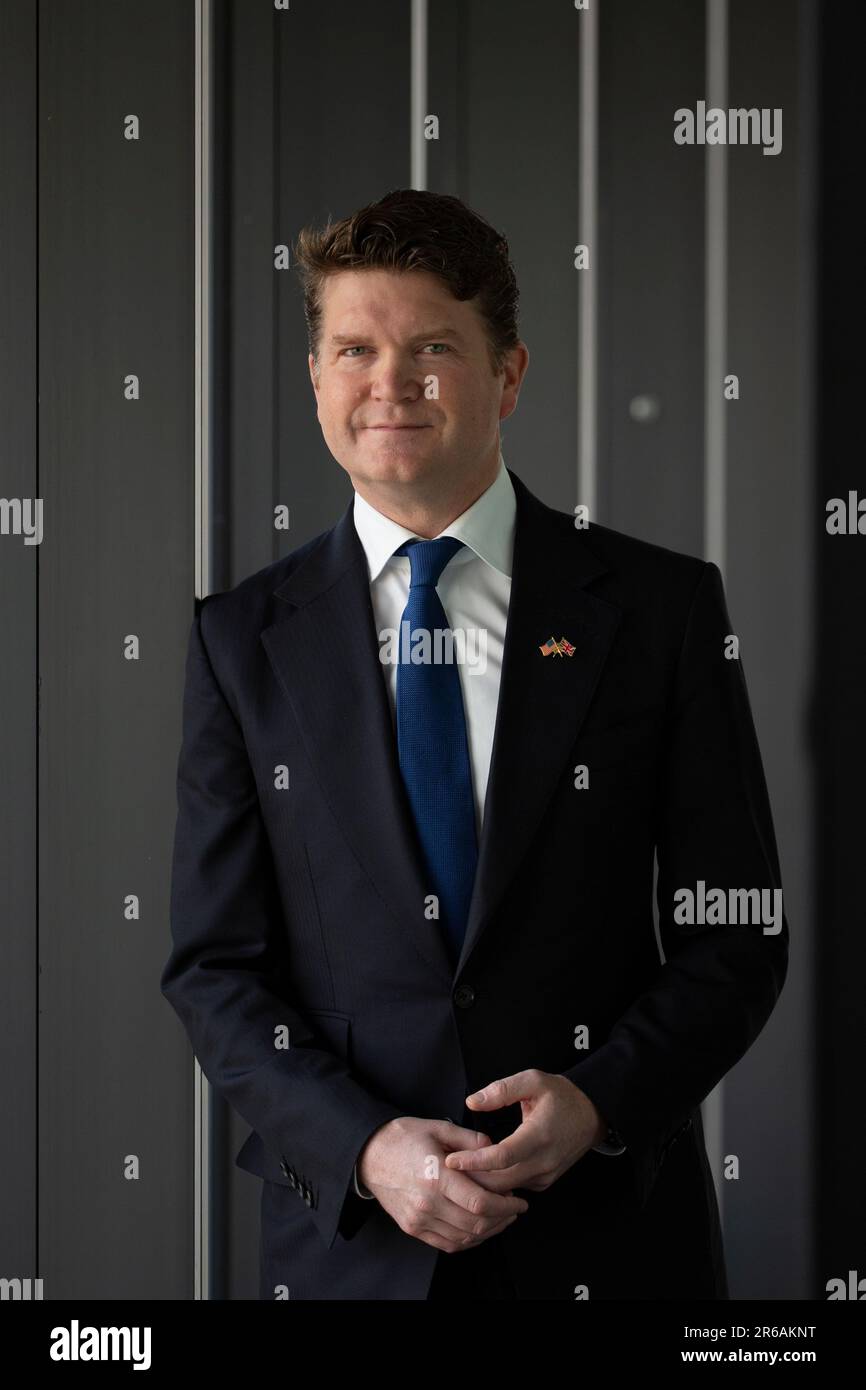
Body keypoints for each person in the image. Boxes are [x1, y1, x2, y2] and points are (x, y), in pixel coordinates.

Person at [162, 188, 788, 1300]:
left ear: (507, 375)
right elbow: (216, 966)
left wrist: (598, 1101)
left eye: (433, 347)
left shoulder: (659, 611)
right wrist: (364, 1148)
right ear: (315, 379)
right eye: (353, 347)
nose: (389, 382)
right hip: (350, 1254)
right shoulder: (237, 640)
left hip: (610, 1241)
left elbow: (733, 931)